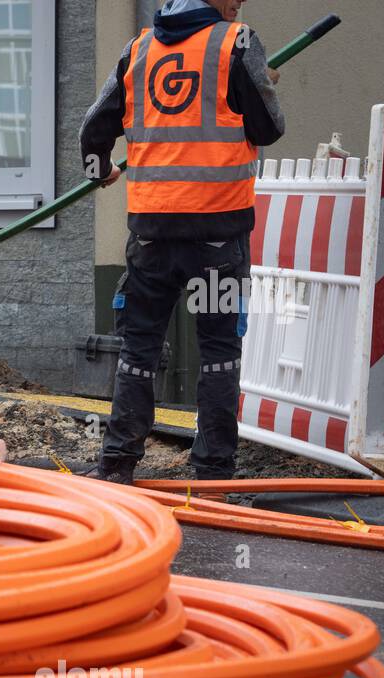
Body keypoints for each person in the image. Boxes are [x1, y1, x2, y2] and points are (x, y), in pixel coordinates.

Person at [79, 0, 284, 485]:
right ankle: (211, 473)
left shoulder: (139, 50)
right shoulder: (237, 43)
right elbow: (270, 130)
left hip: (150, 235)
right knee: (218, 352)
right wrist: (263, 89)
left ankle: (117, 464)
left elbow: (93, 131)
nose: (240, 3)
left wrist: (101, 171)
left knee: (138, 349)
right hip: (217, 233)